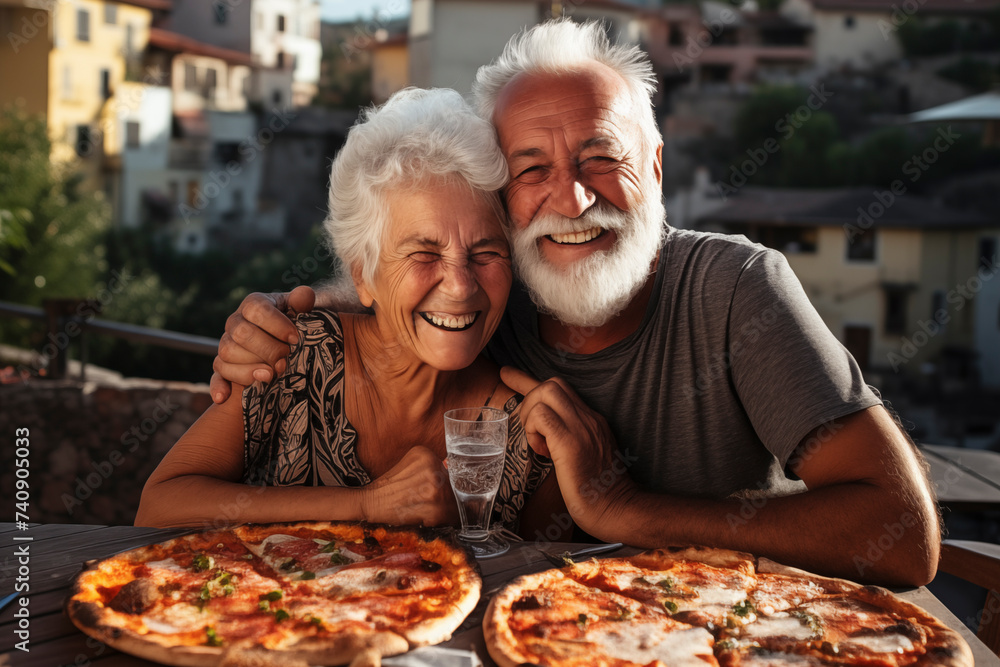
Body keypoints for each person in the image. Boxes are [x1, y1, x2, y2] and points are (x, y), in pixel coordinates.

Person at [207, 20, 940, 586]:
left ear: (654, 165)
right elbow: (416, 291)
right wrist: (284, 315)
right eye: (533, 169)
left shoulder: (738, 288)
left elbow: (904, 530)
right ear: (503, 198)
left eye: (601, 156)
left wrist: (627, 509)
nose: (574, 197)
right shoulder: (493, 294)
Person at [135, 88, 562, 535]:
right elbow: (159, 506)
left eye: (486, 252)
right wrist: (366, 505)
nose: (459, 285)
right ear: (363, 277)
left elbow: (537, 583)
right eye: (423, 253)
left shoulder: (526, 433)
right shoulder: (296, 355)